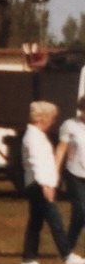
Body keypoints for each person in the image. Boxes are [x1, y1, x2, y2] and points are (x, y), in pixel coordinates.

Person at [20, 101, 85, 264]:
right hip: (39, 184)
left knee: (36, 222)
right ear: (42, 118)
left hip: (39, 183)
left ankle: (28, 259)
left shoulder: (36, 134)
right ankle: (67, 256)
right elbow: (36, 163)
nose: (53, 121)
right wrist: (46, 185)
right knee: (55, 221)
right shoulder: (32, 137)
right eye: (51, 117)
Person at [55, 95, 85, 253]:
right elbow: (61, 149)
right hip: (74, 172)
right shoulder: (69, 125)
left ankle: (67, 246)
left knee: (79, 216)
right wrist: (54, 172)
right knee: (81, 209)